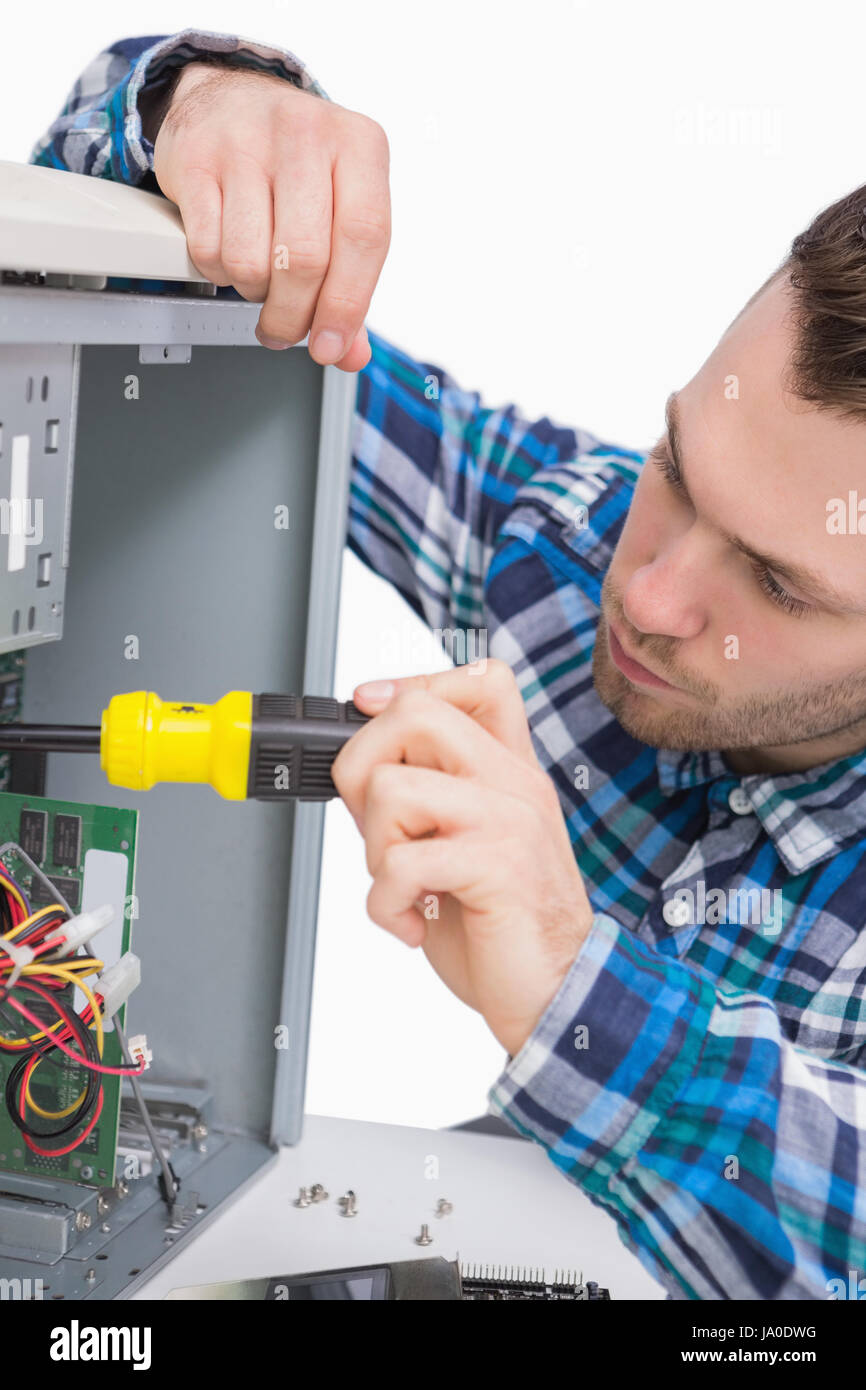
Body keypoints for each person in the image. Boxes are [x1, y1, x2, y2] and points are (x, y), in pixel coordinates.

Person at [33, 27, 866, 1300]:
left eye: (775, 583)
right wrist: (201, 114)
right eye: (677, 467)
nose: (644, 595)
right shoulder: (567, 544)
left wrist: (580, 988)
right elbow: (266, 348)